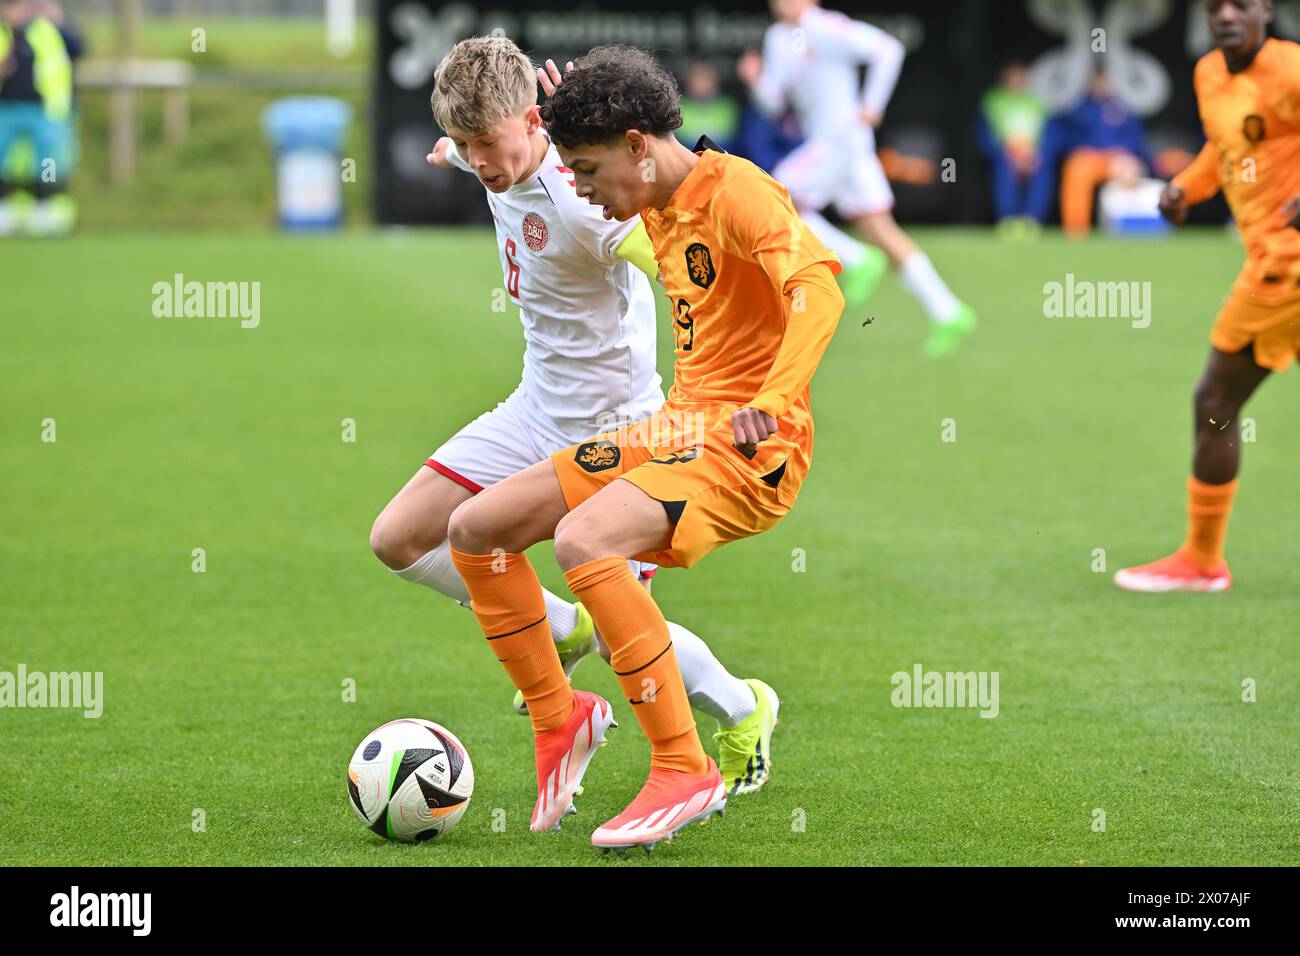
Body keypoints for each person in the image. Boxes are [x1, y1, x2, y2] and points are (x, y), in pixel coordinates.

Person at [444, 45, 843, 852]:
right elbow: (544, 168)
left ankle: (681, 765)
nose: (579, 190)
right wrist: (535, 129)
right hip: (676, 427)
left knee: (581, 540)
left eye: (585, 170)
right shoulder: (648, 195)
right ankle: (563, 720)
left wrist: (774, 396)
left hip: (749, 446)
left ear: (636, 145)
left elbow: (819, 287)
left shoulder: (736, 193)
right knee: (475, 530)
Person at [371, 36, 779, 809]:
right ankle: (560, 627)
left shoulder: (580, 198)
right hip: (533, 408)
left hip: (617, 429)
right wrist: (457, 149)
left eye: (486, 144)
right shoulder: (498, 146)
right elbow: (469, 143)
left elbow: (668, 246)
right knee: (398, 538)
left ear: (531, 120)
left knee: (618, 614)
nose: (478, 161)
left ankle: (742, 706)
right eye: (465, 145)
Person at [1114, 0, 1300, 593]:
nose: (1226, 15)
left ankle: (1200, 560)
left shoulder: (1291, 70)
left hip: (1284, 265)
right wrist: (1183, 190)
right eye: (1215, 5)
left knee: (1216, 400)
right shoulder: (1208, 74)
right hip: (1272, 260)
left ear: (1265, 10)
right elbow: (1225, 155)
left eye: (1240, 4)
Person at [738, 0, 977, 358]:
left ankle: (853, 258)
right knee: (880, 229)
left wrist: (872, 106)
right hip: (832, 144)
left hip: (843, 138)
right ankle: (948, 310)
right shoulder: (777, 38)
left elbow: (888, 49)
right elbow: (773, 102)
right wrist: (755, 80)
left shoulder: (827, 27)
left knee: (775, 197)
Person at [0, 0, 74, 236]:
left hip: (42, 108)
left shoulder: (45, 31)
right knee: (5, 161)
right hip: (6, 107)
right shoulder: (2, 34)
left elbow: (74, 51)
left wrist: (58, 20)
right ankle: (7, 210)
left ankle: (46, 210)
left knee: (46, 163)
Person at [1055, 68, 1155, 238]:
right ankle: (1076, 231)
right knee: (1077, 169)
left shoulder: (1122, 108)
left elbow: (1137, 138)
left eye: (1105, 81)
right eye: (1098, 82)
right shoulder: (1080, 109)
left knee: (1130, 169)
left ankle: (1129, 230)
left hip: (1118, 158)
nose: (1101, 86)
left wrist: (1132, 156)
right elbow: (1066, 139)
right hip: (1089, 158)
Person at [978, 59, 1052, 235]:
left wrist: (1038, 156)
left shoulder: (1038, 102)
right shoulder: (993, 100)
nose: (1017, 81)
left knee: (1043, 171)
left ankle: (1031, 222)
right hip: (1005, 156)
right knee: (1003, 170)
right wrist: (1005, 154)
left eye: (1020, 77)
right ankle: (1008, 221)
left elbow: (1051, 135)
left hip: (1033, 156)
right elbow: (984, 135)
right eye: (1013, 77)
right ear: (1004, 79)